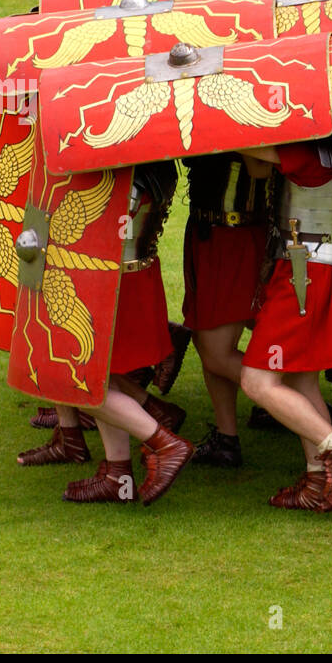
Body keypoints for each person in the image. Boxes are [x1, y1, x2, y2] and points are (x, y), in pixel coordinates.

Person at [237, 133, 332, 512]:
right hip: (313, 266)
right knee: (300, 377)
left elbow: (244, 144)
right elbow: (258, 168)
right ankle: (317, 477)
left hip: (303, 272)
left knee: (257, 381)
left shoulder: (304, 150)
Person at [62, 161, 196, 505]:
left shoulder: (118, 156)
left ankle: (164, 443)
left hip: (108, 276)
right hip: (126, 272)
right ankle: (116, 473)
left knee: (72, 375)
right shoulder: (150, 154)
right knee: (106, 374)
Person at [181, 154, 269, 468]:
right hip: (208, 231)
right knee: (207, 341)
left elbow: (260, 168)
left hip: (235, 234)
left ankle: (291, 401)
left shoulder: (248, 110)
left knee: (216, 352)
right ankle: (226, 436)